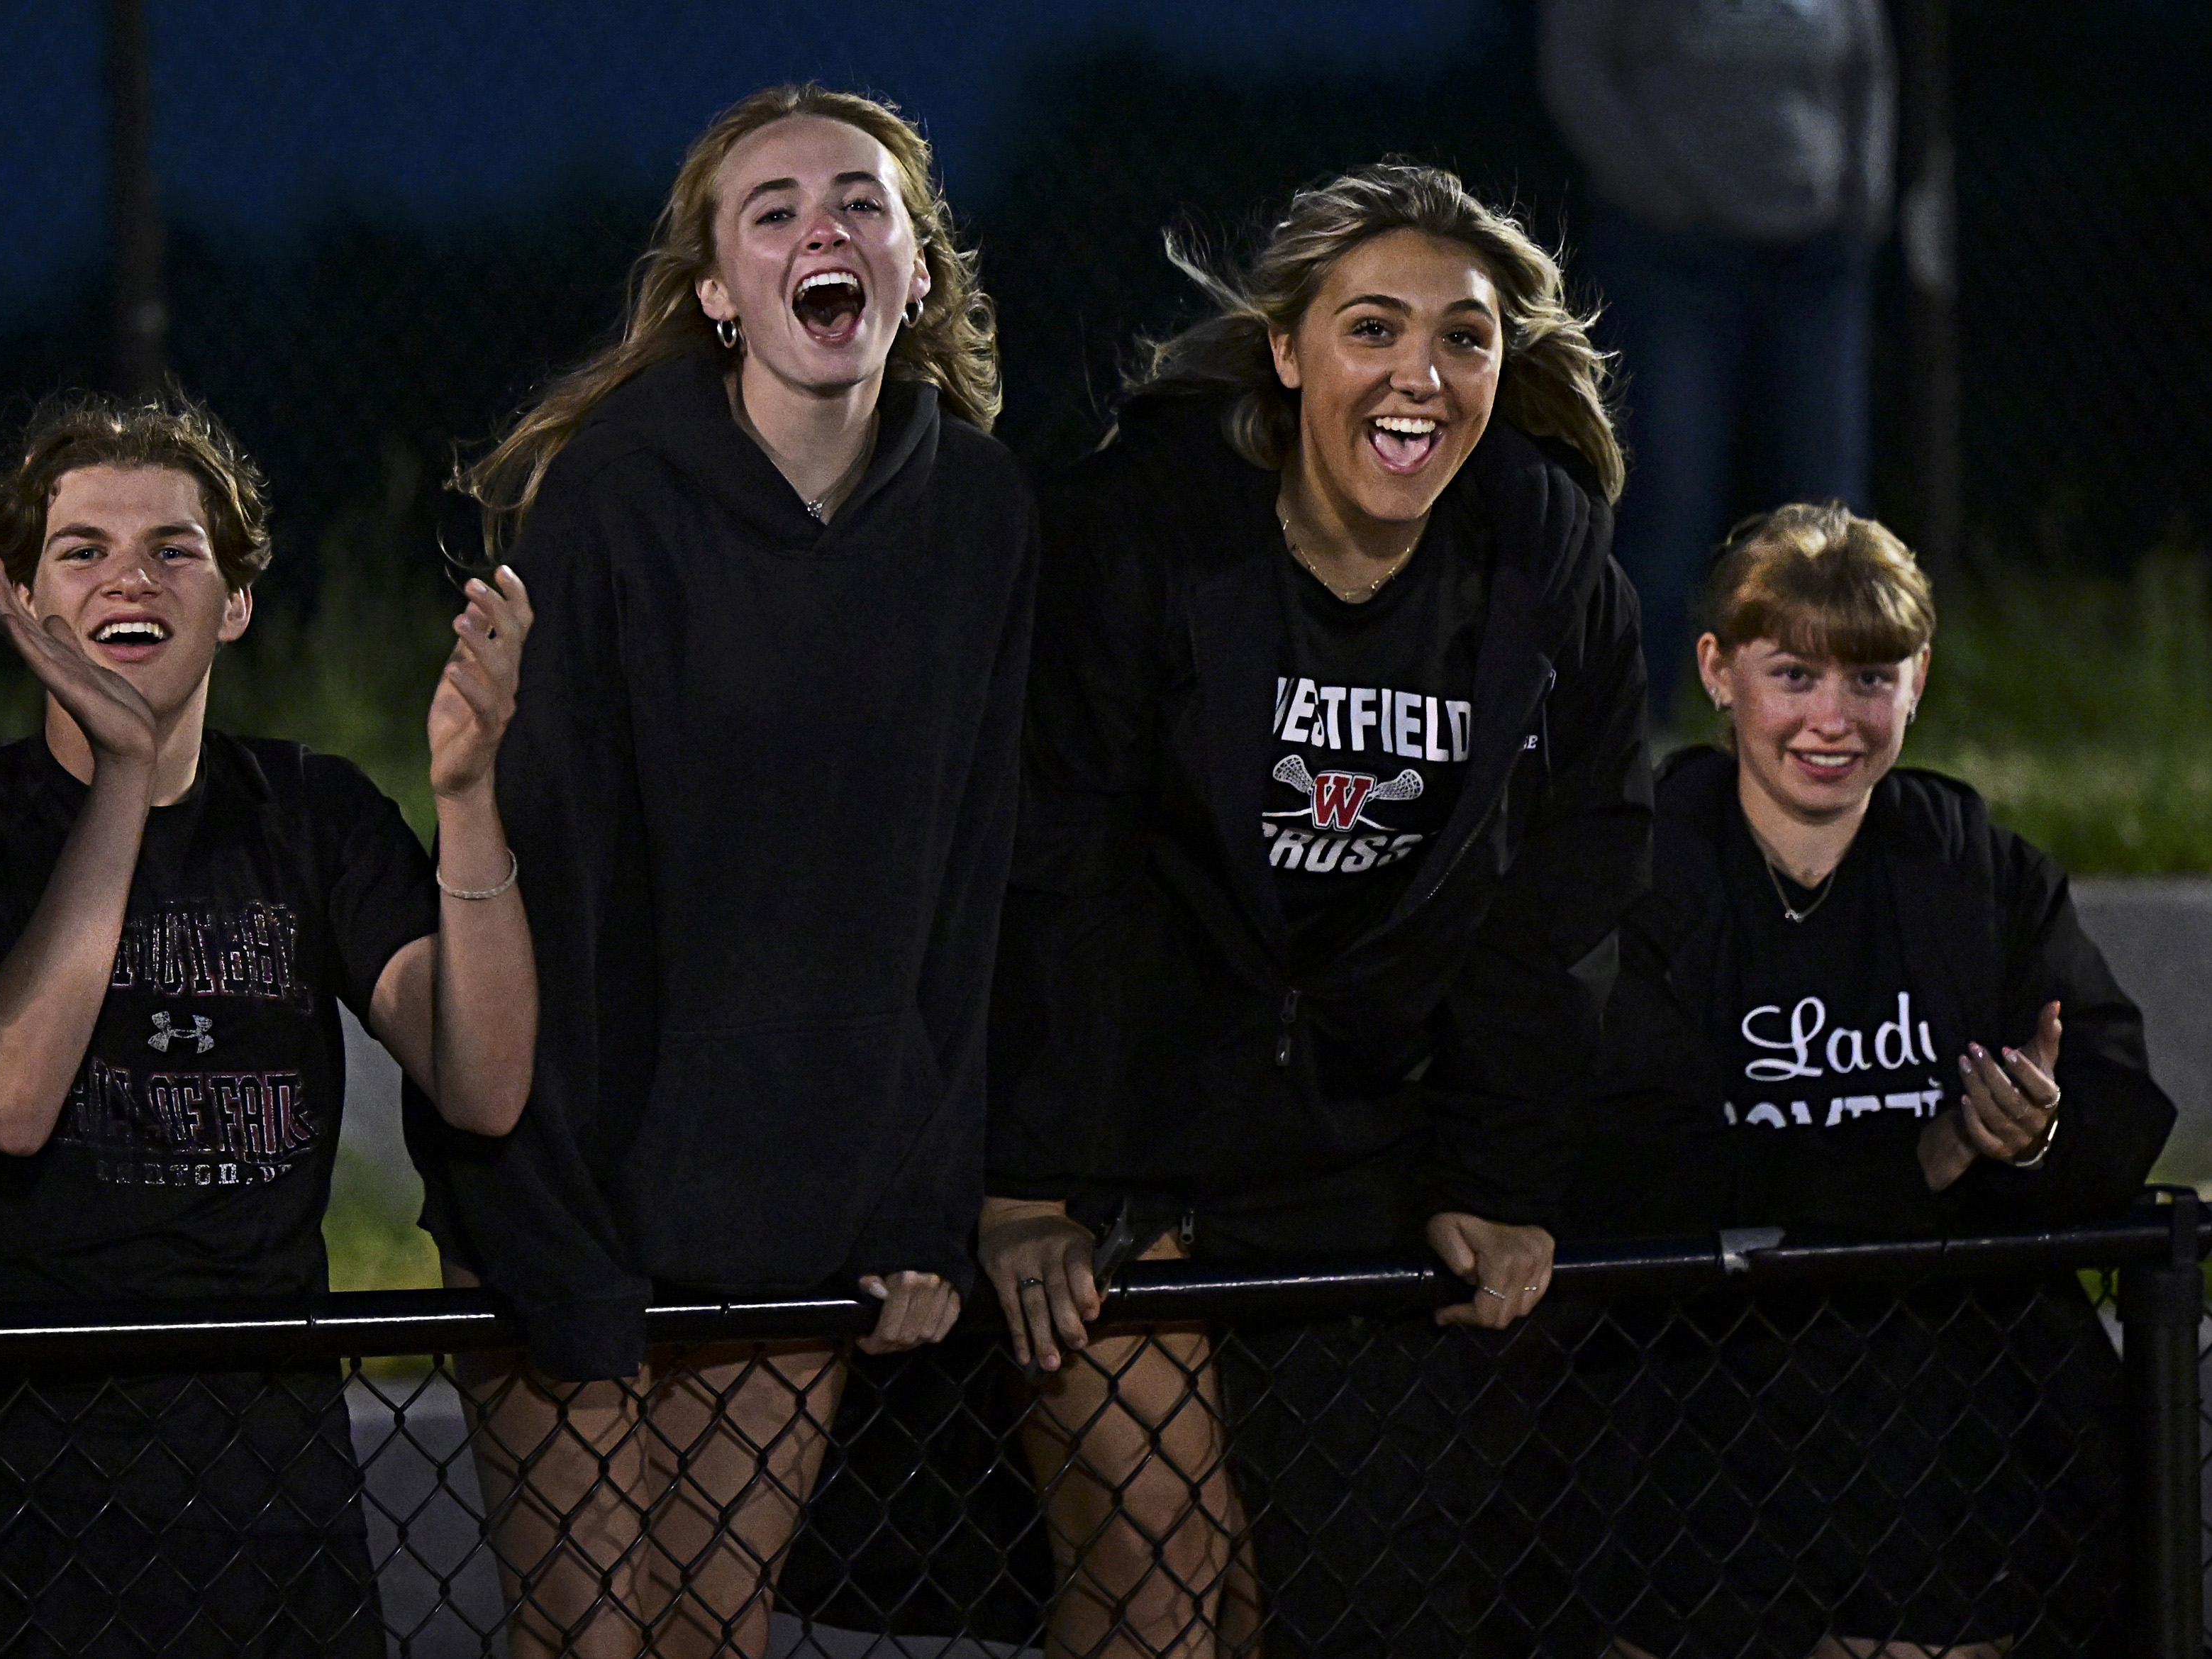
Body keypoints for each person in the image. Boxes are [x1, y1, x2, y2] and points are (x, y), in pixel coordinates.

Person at [982, 160, 1649, 1656]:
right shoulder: (1137, 535)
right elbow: (1053, 859)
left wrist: (1495, 1167)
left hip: (1359, 1139)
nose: (1418, 372)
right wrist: (1026, 1181)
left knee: (1315, 1599)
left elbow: (1558, 893)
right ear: (1285, 351)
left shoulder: (1545, 573)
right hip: (1124, 1137)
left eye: (1463, 337)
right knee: (1159, 1572)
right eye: (1371, 327)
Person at [413, 83, 1035, 1658]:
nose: (821, 227)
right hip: (579, 1166)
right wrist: (553, 1220)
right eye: (773, 210)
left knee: (710, 1631)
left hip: (799, 1185)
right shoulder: (611, 497)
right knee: (591, 1639)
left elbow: (964, 883)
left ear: (914, 267)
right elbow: (551, 882)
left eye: (859, 202)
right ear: (714, 289)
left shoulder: (979, 511)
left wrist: (917, 1192)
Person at [0, 387, 537, 1658]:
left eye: (174, 546)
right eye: (83, 547)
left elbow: (482, 1079)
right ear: (23, 598)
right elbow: (4, 1094)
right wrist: (119, 775)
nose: (131, 575)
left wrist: (469, 793)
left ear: (236, 601)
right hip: (22, 1507)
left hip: (275, 1496)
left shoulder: (312, 810)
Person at [1568, 503, 2172, 1656]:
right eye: (1791, 672)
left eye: (1869, 676)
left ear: (1919, 680)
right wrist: (1916, 1158)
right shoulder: (1640, 866)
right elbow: (1626, 1150)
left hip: (1939, 1412)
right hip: (1706, 1390)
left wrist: (2032, 1133)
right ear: (1715, 670)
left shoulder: (1969, 861)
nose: (1829, 719)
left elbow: (2115, 1089)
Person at [1540, 0, 1895, 716]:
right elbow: (1574, 72)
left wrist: (1862, 190)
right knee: (1667, 503)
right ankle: (1629, 730)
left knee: (1826, 503)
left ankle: (1831, 724)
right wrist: (1659, 195)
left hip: (1814, 256)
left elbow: (1868, 65)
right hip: (1672, 259)